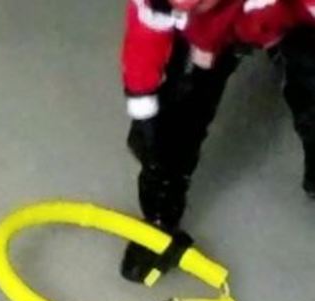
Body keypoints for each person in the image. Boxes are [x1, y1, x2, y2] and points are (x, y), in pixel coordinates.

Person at [119, 0, 315, 282]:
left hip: (286, 17)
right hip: (205, 38)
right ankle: (159, 219)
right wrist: (145, 110)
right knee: (170, 127)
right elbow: (145, 40)